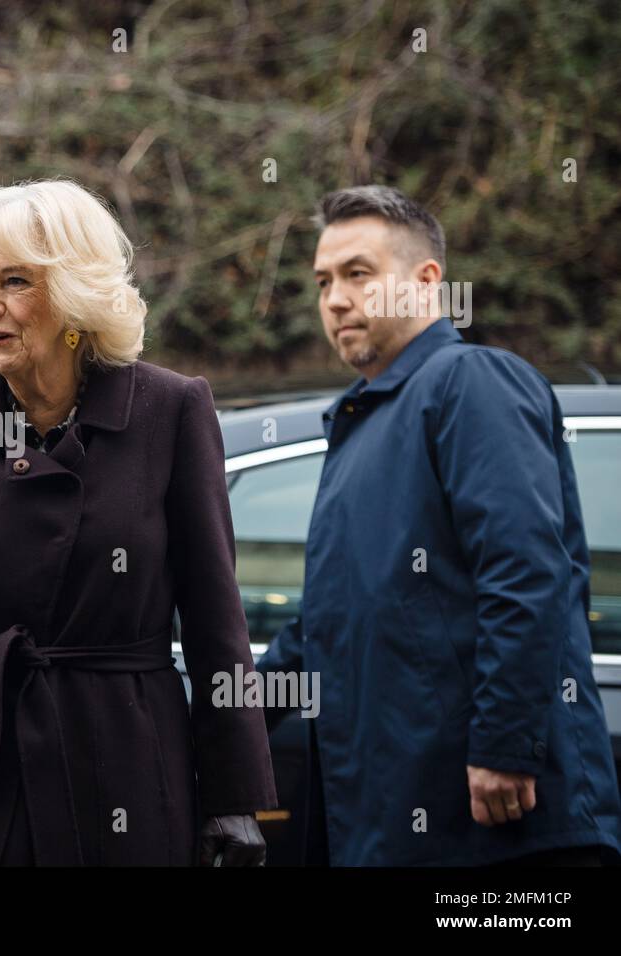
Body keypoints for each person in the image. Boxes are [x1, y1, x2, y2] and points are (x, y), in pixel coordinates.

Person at [0, 180, 278, 865]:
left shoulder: (169, 411)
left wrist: (236, 795)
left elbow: (214, 620)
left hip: (122, 761)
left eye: (15, 281)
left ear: (77, 292)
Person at [257, 185, 621, 866]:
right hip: (391, 819)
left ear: (427, 282)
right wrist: (226, 721)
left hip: (492, 825)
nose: (334, 299)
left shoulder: (472, 381)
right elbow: (327, 623)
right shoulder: (361, 421)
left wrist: (505, 748)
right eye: (323, 281)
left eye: (358, 273)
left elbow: (527, 571)